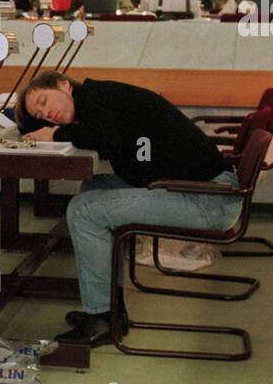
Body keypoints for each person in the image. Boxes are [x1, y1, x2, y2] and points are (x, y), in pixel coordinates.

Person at [15, 71, 241, 346]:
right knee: (93, 190)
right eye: (40, 114)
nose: (47, 113)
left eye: (44, 101)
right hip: (197, 188)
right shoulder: (96, 98)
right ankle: (112, 310)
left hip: (208, 200)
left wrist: (56, 133)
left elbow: (106, 140)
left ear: (64, 85)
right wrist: (43, 129)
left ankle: (101, 318)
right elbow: (103, 137)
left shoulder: (97, 98)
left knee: (84, 210)